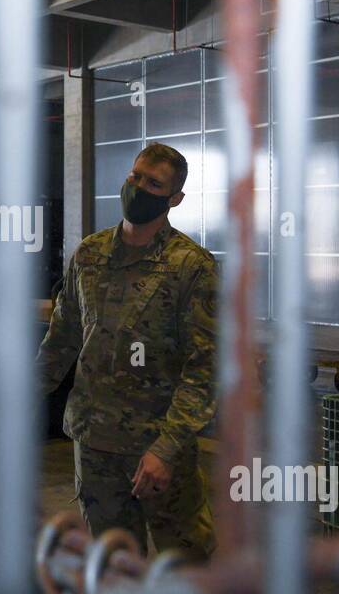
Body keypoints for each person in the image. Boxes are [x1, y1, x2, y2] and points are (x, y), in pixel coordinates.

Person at [37, 142, 218, 558]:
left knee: (186, 563)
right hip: (95, 442)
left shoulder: (191, 266)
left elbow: (205, 368)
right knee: (113, 564)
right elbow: (62, 338)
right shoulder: (89, 254)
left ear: (174, 199)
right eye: (135, 176)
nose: (138, 186)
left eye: (153, 183)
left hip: (157, 446)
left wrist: (166, 448)